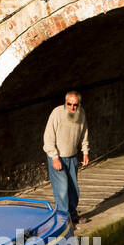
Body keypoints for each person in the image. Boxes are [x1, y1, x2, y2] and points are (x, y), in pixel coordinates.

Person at [43, 90, 90, 225]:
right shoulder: (57, 113)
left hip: (72, 156)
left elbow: (84, 133)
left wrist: (85, 152)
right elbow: (48, 137)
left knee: (73, 188)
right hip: (58, 156)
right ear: (65, 103)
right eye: (69, 104)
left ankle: (73, 215)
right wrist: (54, 157)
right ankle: (64, 219)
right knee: (62, 188)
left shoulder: (81, 113)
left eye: (75, 105)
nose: (72, 108)